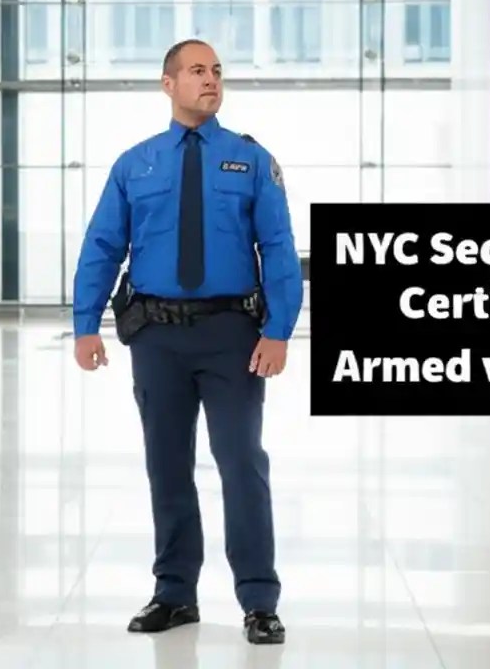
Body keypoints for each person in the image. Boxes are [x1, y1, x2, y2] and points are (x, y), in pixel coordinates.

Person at [71, 38, 303, 645]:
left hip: (233, 336)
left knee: (241, 463)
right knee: (166, 466)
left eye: (218, 71)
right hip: (157, 339)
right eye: (197, 71)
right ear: (168, 83)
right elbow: (102, 247)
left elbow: (279, 249)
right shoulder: (135, 165)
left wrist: (279, 330)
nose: (211, 80)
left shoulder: (250, 161)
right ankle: (174, 594)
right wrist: (84, 324)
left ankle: (259, 600)